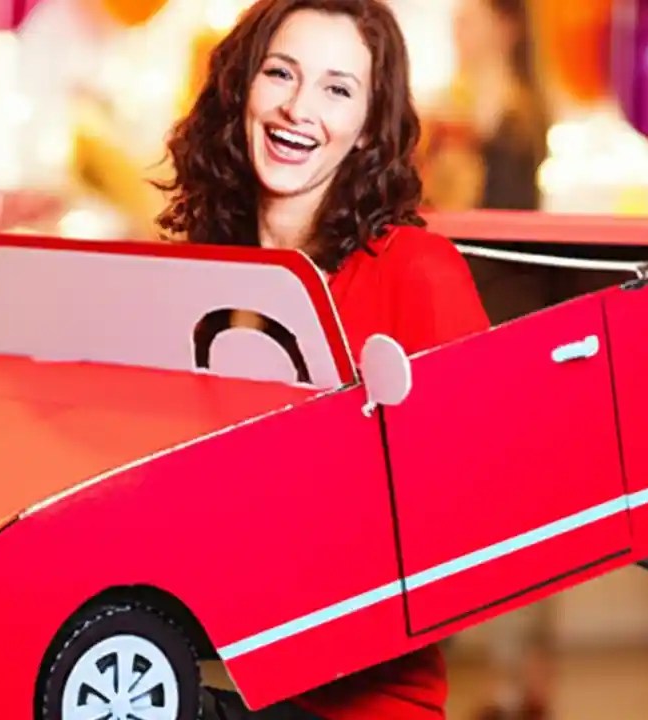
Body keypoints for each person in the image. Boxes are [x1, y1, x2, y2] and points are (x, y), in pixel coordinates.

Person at [152, 0, 491, 717]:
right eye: (281, 73)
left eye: (338, 88)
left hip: (348, 698)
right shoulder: (193, 275)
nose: (298, 108)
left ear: (369, 124)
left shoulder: (416, 271)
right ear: (241, 88)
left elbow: (475, 519)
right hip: (194, 672)